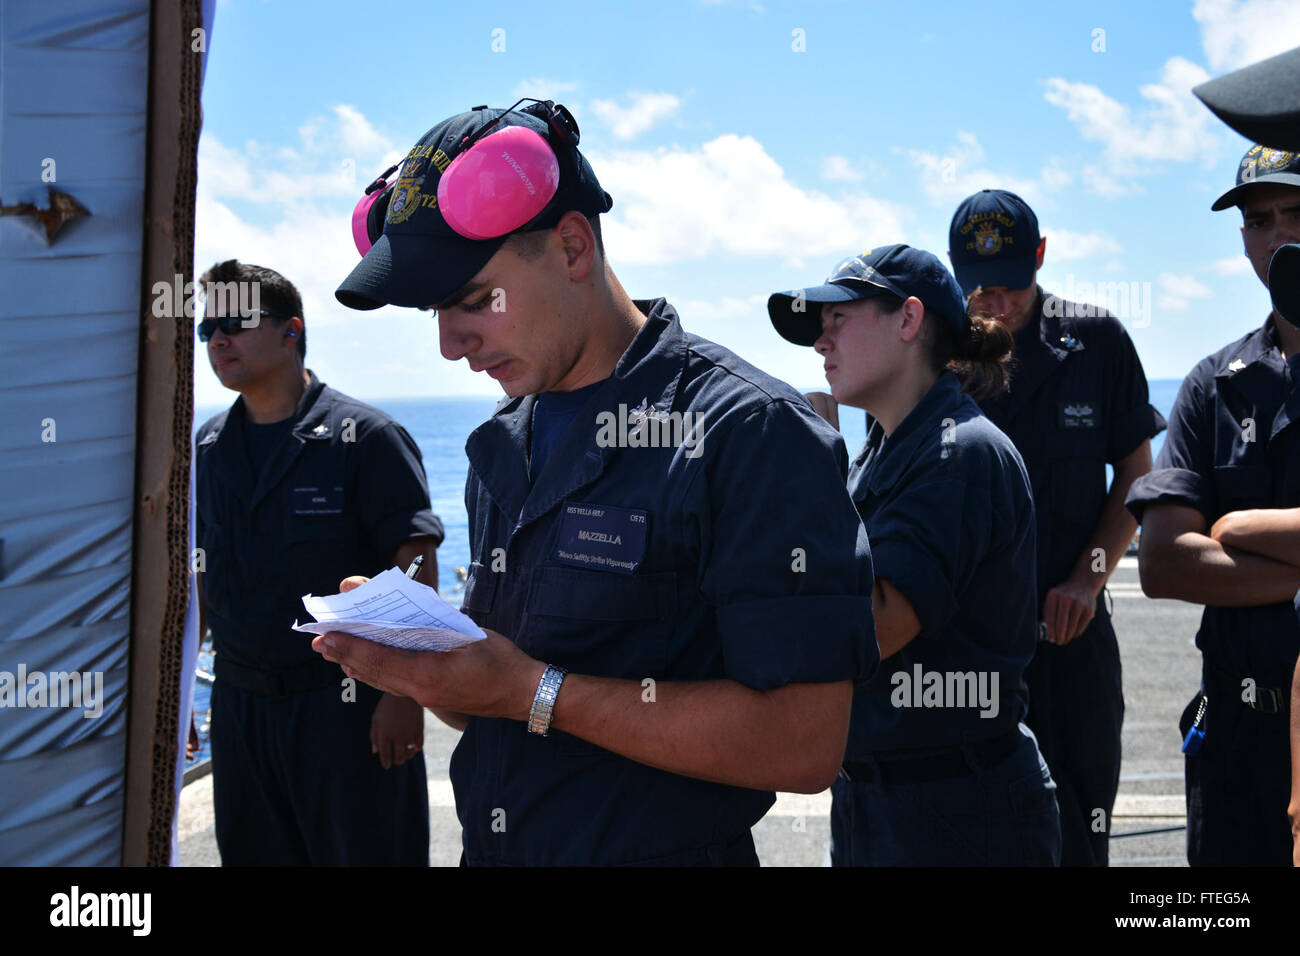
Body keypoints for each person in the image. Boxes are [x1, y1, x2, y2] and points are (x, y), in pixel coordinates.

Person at [318, 101, 878, 866]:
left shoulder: (749, 432)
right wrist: (429, 669)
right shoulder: (506, 441)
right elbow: (503, 696)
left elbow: (805, 741)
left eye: (476, 300)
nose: (450, 346)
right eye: (436, 313)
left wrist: (529, 692)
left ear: (573, 247)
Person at [769, 244, 1061, 866]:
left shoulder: (959, 454)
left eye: (837, 319)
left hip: (958, 812)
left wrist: (809, 478)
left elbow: (871, 628)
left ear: (908, 320)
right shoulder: (884, 451)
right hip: (882, 799)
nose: (821, 343)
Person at [194, 259, 443, 865]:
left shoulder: (366, 437)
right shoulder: (208, 449)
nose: (218, 339)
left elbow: (412, 560)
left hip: (344, 707)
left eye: (235, 321)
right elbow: (200, 578)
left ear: (292, 331)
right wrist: (172, 700)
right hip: (241, 707)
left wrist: (405, 694)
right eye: (207, 331)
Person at [943, 189, 1165, 866]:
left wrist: (1086, 581)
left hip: (1070, 643)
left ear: (1041, 257)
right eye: (979, 288)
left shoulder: (1095, 341)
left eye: (1012, 283)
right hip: (966, 651)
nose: (996, 303)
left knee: (1077, 837)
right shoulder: (935, 354)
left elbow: (1136, 475)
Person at [1127, 145, 1300, 867]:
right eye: (1259, 220)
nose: (1278, 236)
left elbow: (1204, 551)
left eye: (1297, 213)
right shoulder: (1213, 384)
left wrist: (1237, 532)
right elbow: (1164, 563)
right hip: (1233, 739)